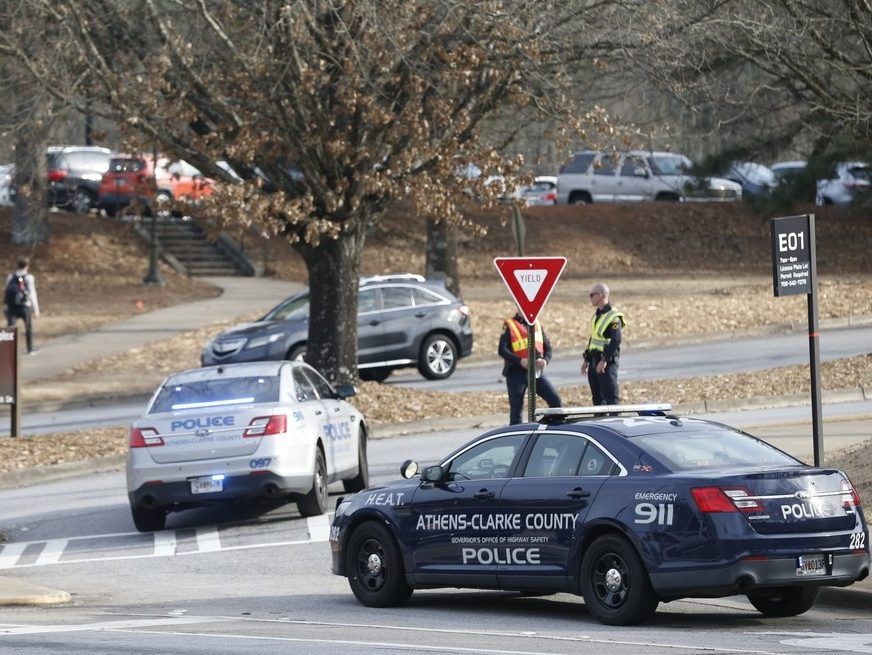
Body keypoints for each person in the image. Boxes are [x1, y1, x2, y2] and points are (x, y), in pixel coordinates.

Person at [498, 311, 562, 425]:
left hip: (536, 371)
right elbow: (502, 350)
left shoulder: (536, 324)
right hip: (516, 372)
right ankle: (517, 439)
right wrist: (520, 361)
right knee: (516, 411)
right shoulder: (511, 325)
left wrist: (545, 360)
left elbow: (548, 348)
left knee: (555, 401)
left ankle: (552, 429)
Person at [581, 282, 625, 405]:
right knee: (597, 400)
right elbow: (593, 339)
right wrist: (586, 360)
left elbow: (616, 340)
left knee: (611, 399)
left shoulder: (613, 317)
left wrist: (604, 360)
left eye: (592, 295)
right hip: (594, 361)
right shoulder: (597, 315)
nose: (590, 298)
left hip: (606, 364)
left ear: (600, 295)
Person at [4, 257, 40, 354]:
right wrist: (36, 309)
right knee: (28, 327)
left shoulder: (11, 276)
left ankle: (8, 351)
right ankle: (30, 348)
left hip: (11, 307)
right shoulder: (29, 278)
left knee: (10, 329)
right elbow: (32, 293)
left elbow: (7, 291)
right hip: (24, 306)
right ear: (27, 266)